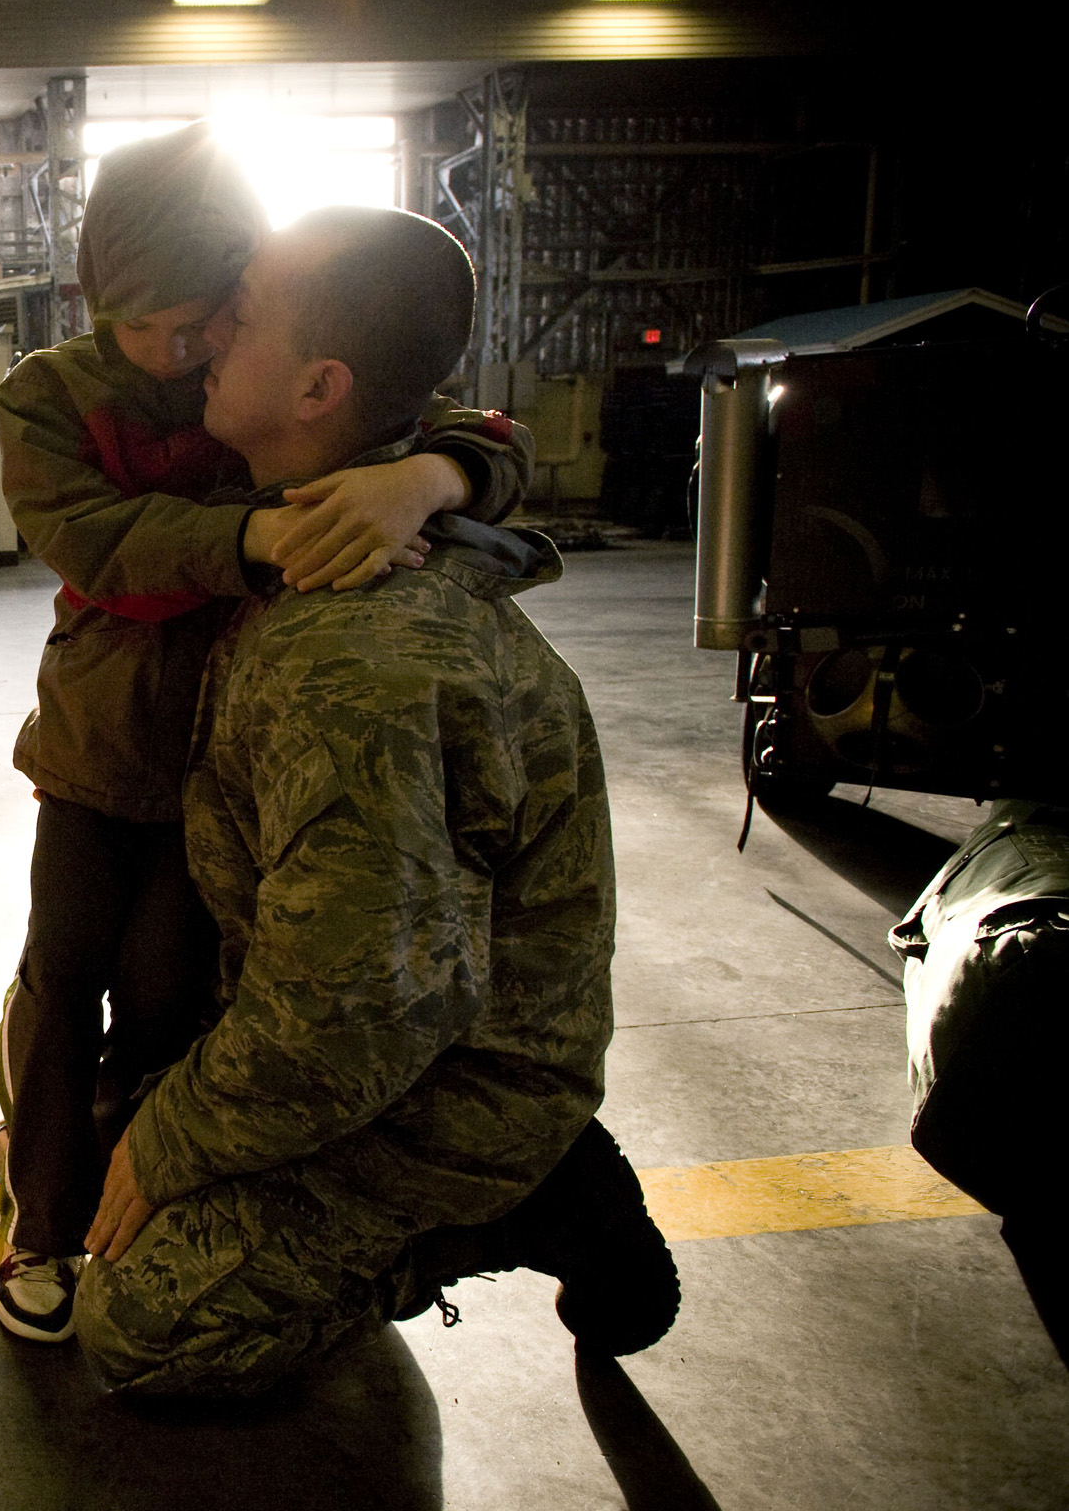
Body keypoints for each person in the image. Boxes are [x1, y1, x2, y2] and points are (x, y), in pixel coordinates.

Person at [75, 206, 677, 1395]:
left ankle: (519, 1202)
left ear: (318, 387)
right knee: (57, 1094)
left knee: (142, 1319)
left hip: (445, 1081)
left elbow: (359, 1006)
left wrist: (170, 1137)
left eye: (236, 318)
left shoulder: (358, 662)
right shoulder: (328, 534)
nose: (203, 335)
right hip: (357, 1013)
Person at [0, 121, 537, 1343]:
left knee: (172, 986)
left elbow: (474, 430)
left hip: (218, 776)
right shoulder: (50, 395)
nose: (186, 353)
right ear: (93, 300)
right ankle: (41, 1206)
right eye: (153, 329)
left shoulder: (260, 369)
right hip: (95, 750)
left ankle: (93, 1136)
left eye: (209, 317)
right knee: (62, 970)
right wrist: (251, 539)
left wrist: (429, 478)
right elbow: (96, 543)